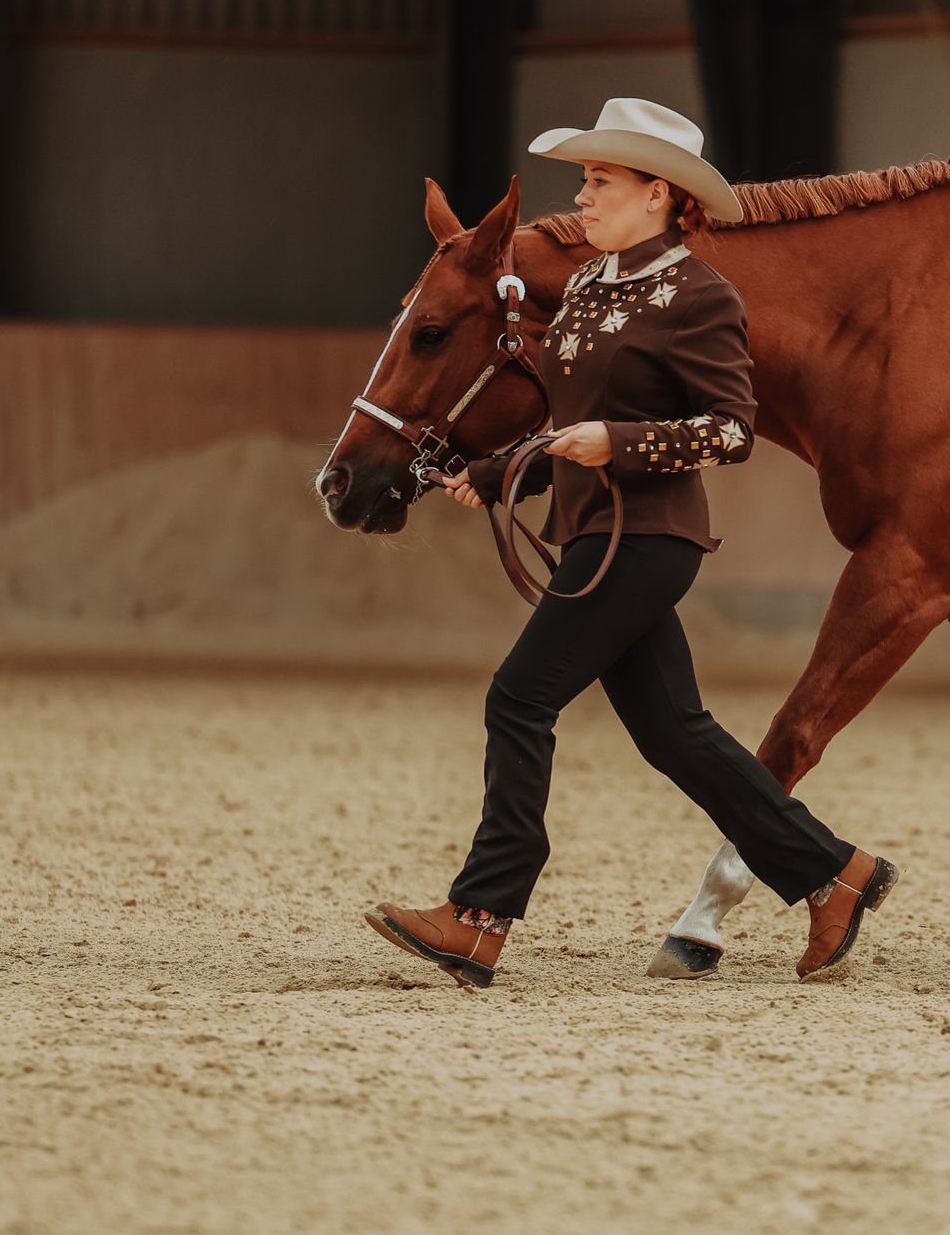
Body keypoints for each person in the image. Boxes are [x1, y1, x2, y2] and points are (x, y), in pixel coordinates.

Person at [364, 98, 898, 988]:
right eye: (586, 180)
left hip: (648, 535)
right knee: (675, 734)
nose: (583, 195)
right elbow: (564, 418)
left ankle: (480, 915)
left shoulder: (699, 295)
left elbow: (730, 429)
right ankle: (831, 872)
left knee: (518, 699)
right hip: (593, 531)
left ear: (659, 195)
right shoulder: (588, 286)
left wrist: (622, 444)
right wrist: (502, 473)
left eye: (600, 182)